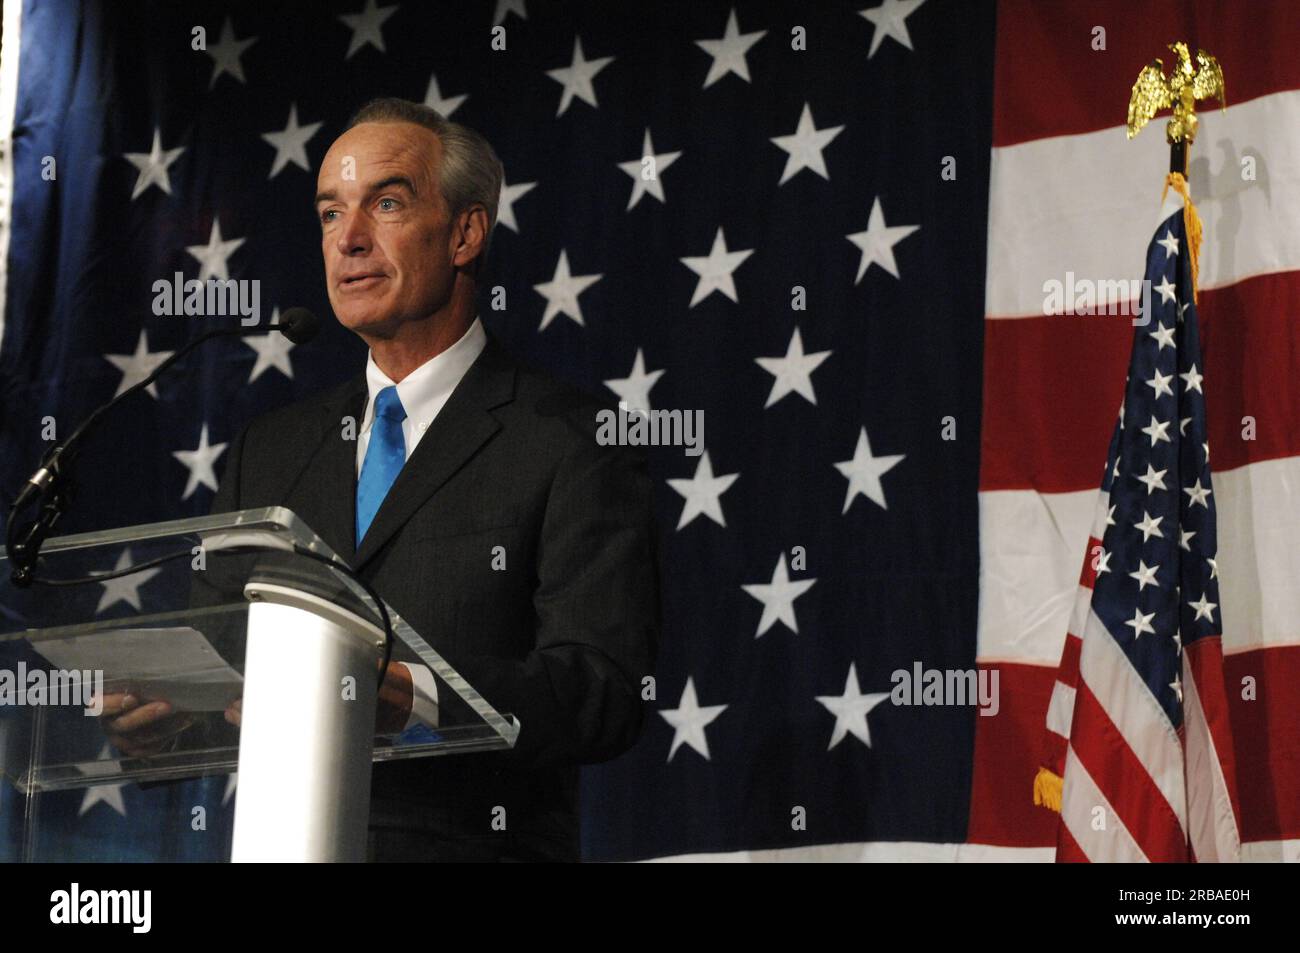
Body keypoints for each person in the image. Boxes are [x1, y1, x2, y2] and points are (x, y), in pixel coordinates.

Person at [99, 98, 660, 862]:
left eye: (386, 203)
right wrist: (163, 725)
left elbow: (603, 691)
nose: (349, 239)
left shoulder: (569, 439)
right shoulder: (270, 450)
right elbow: (227, 670)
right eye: (331, 213)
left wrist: (419, 694)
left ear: (466, 232)